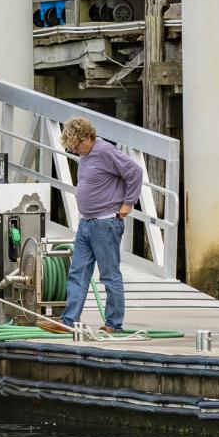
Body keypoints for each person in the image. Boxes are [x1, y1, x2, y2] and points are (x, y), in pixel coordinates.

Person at [57, 117, 142, 335]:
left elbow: (134, 172)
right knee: (77, 272)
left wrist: (128, 202)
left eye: (77, 145)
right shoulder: (85, 154)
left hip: (105, 223)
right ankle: (68, 321)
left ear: (88, 138)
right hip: (86, 222)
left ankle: (114, 323)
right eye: (72, 147)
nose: (75, 150)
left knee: (109, 274)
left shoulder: (105, 151)